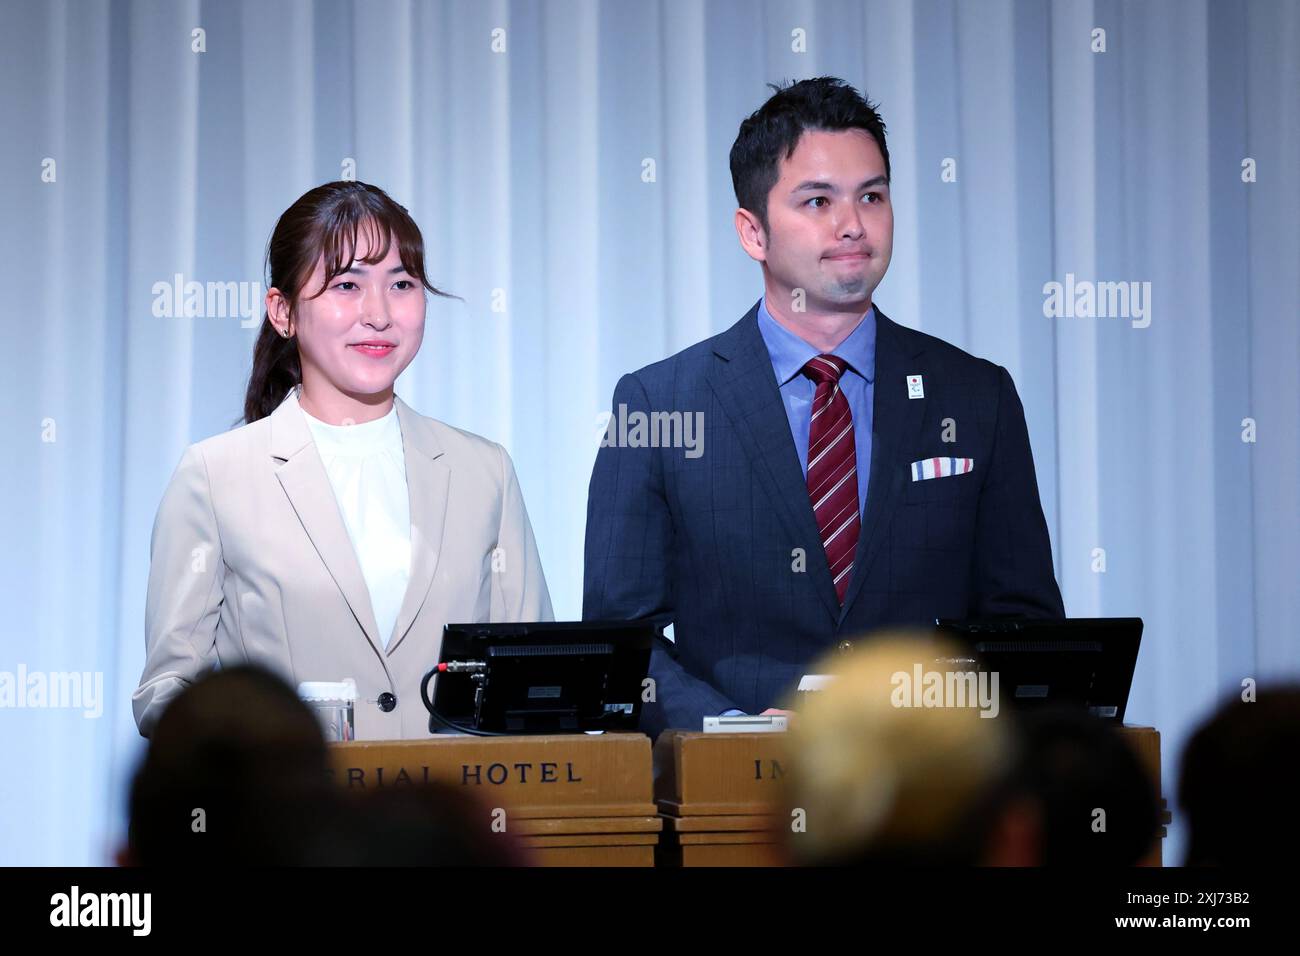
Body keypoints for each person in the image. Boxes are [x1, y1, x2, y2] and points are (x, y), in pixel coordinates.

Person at [584, 77, 1063, 737]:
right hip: (733, 802)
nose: (853, 225)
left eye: (872, 195)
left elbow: (1025, 628)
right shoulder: (660, 404)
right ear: (753, 232)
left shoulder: (978, 396)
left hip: (933, 798)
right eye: (818, 200)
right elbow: (619, 640)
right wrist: (730, 728)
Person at [135, 181, 552, 740]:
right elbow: (168, 691)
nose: (378, 314)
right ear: (282, 312)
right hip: (290, 821)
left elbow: (532, 686)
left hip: (448, 819)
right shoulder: (215, 476)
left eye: (401, 284)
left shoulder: (485, 471)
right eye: (346, 285)